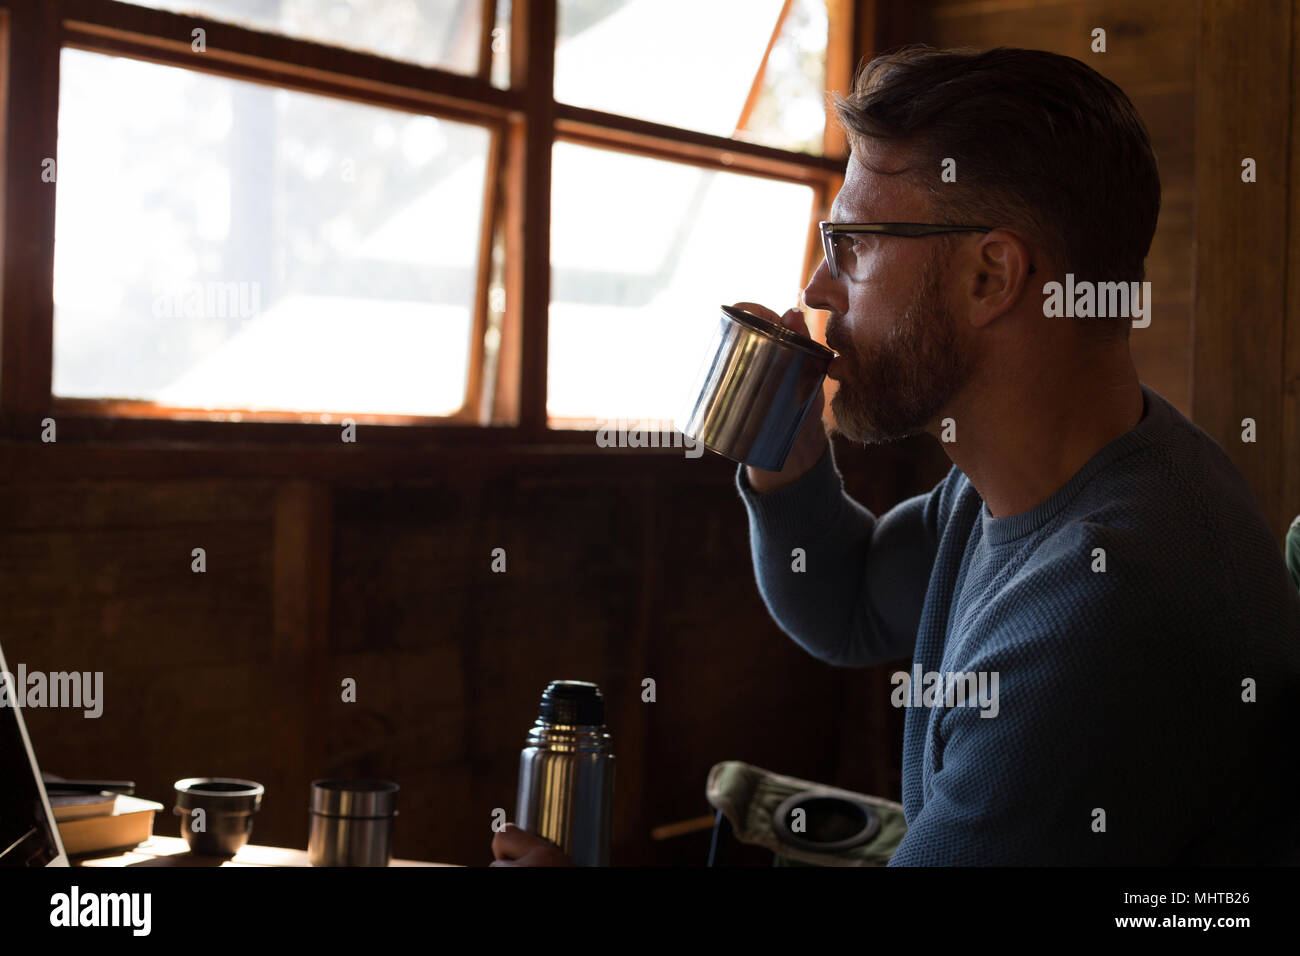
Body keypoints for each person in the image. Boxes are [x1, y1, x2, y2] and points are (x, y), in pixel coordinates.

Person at [735, 45, 1300, 865]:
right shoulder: (1047, 479)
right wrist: (782, 459)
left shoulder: (1100, 620)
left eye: (851, 243)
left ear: (990, 274)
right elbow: (848, 602)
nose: (819, 288)